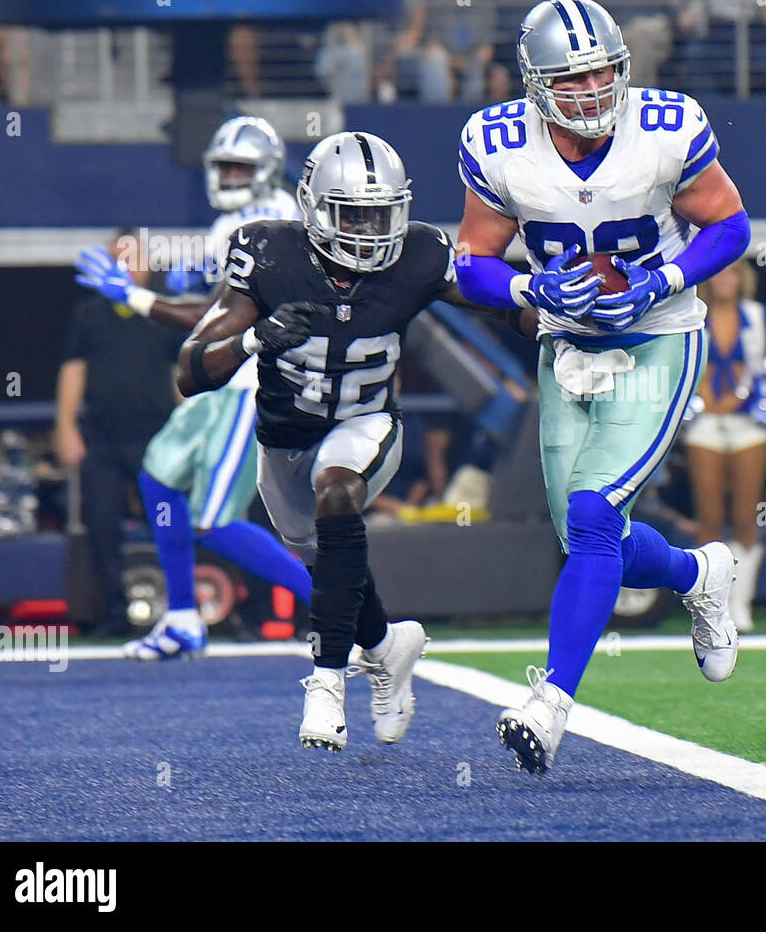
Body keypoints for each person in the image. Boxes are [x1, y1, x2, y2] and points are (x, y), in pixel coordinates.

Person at [454, 0, 752, 775]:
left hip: (659, 336)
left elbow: (731, 225)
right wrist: (529, 291)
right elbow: (472, 259)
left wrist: (662, 280)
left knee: (591, 512)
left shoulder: (663, 128)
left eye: (601, 75)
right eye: (571, 81)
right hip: (568, 342)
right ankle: (698, 572)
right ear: (534, 83)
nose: (591, 94)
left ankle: (552, 702)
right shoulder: (499, 144)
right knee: (594, 537)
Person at [176, 130, 521, 752]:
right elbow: (191, 370)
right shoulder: (267, 252)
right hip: (283, 438)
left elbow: (498, 300)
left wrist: (559, 303)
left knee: (337, 492)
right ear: (312, 207)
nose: (368, 228)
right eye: (352, 213)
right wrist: (255, 339)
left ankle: (327, 680)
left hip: (367, 424)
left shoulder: (419, 255)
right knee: (330, 561)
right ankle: (388, 646)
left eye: (380, 213)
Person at [73, 116, 312, 660]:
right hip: (223, 382)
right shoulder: (251, 217)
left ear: (266, 170)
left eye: (240, 167)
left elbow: (212, 318)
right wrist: (196, 266)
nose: (229, 176)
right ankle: (183, 617)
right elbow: (221, 277)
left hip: (257, 380)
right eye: (223, 166)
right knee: (158, 477)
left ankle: (342, 607)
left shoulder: (265, 221)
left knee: (213, 521)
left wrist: (134, 296)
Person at [56, 232, 187, 636]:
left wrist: (195, 428)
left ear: (148, 264)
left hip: (158, 437)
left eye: (133, 258)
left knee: (171, 523)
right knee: (101, 522)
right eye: (118, 259)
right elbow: (74, 369)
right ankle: (113, 612)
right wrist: (64, 427)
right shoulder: (90, 314)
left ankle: (181, 608)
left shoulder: (164, 313)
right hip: (104, 438)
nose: (127, 266)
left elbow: (182, 372)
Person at [681, 259, 766, 632]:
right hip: (703, 423)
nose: (726, 280)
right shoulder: (689, 312)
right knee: (708, 516)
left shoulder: (758, 317)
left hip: (749, 425)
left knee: (746, 516)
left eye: (734, 272)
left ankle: (741, 604)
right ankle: (710, 609)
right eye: (720, 273)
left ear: (743, 278)